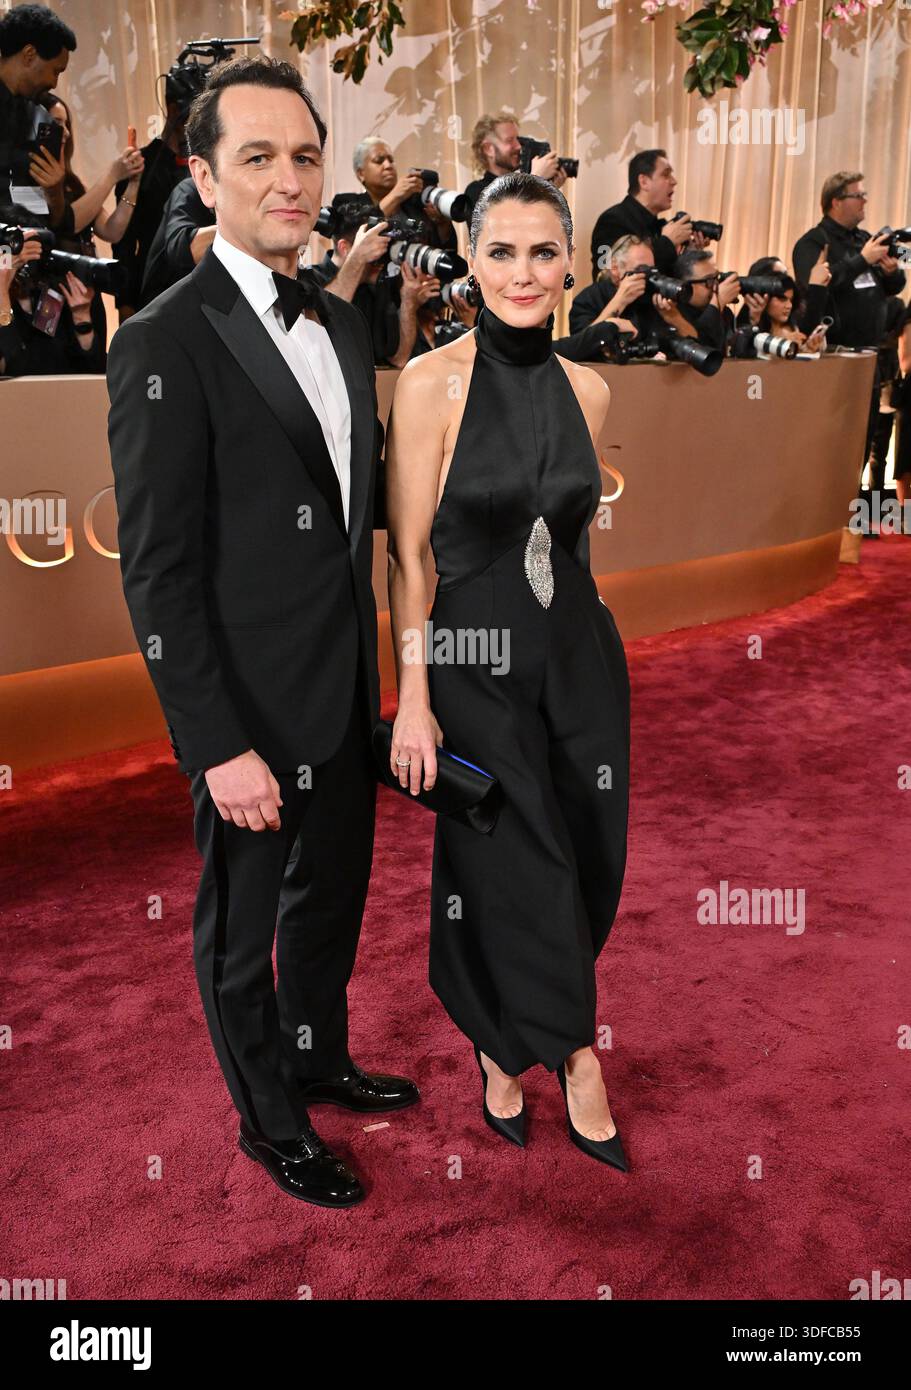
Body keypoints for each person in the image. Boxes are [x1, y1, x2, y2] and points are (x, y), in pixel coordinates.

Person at [106, 55, 418, 1210]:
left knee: (331, 894)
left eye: (303, 155)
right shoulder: (162, 340)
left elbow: (358, 517)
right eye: (257, 158)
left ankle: (318, 1054)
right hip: (243, 708)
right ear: (203, 174)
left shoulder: (338, 323)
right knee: (241, 931)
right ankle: (267, 1120)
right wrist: (215, 744)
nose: (288, 181)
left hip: (341, 691)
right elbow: (159, 573)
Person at [384, 171, 631, 1171]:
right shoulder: (430, 382)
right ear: (471, 261)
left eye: (542, 252)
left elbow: (567, 540)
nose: (522, 273)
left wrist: (594, 628)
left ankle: (495, 1035)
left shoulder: (592, 387)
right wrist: (412, 700)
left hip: (576, 654)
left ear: (569, 260)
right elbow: (407, 559)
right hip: (468, 655)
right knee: (514, 855)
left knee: (582, 853)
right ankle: (575, 1057)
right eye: (500, 252)